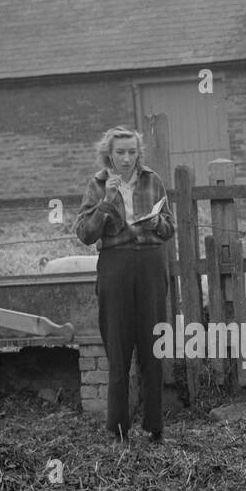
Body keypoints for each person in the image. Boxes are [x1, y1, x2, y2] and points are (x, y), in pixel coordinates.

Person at [75, 126, 175, 442]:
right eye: (121, 152)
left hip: (150, 264)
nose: (127, 158)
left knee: (153, 346)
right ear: (109, 154)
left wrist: (160, 223)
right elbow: (85, 234)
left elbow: (169, 228)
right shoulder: (97, 184)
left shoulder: (152, 180)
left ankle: (155, 428)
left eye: (132, 151)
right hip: (115, 266)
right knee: (118, 348)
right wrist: (106, 202)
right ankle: (118, 430)